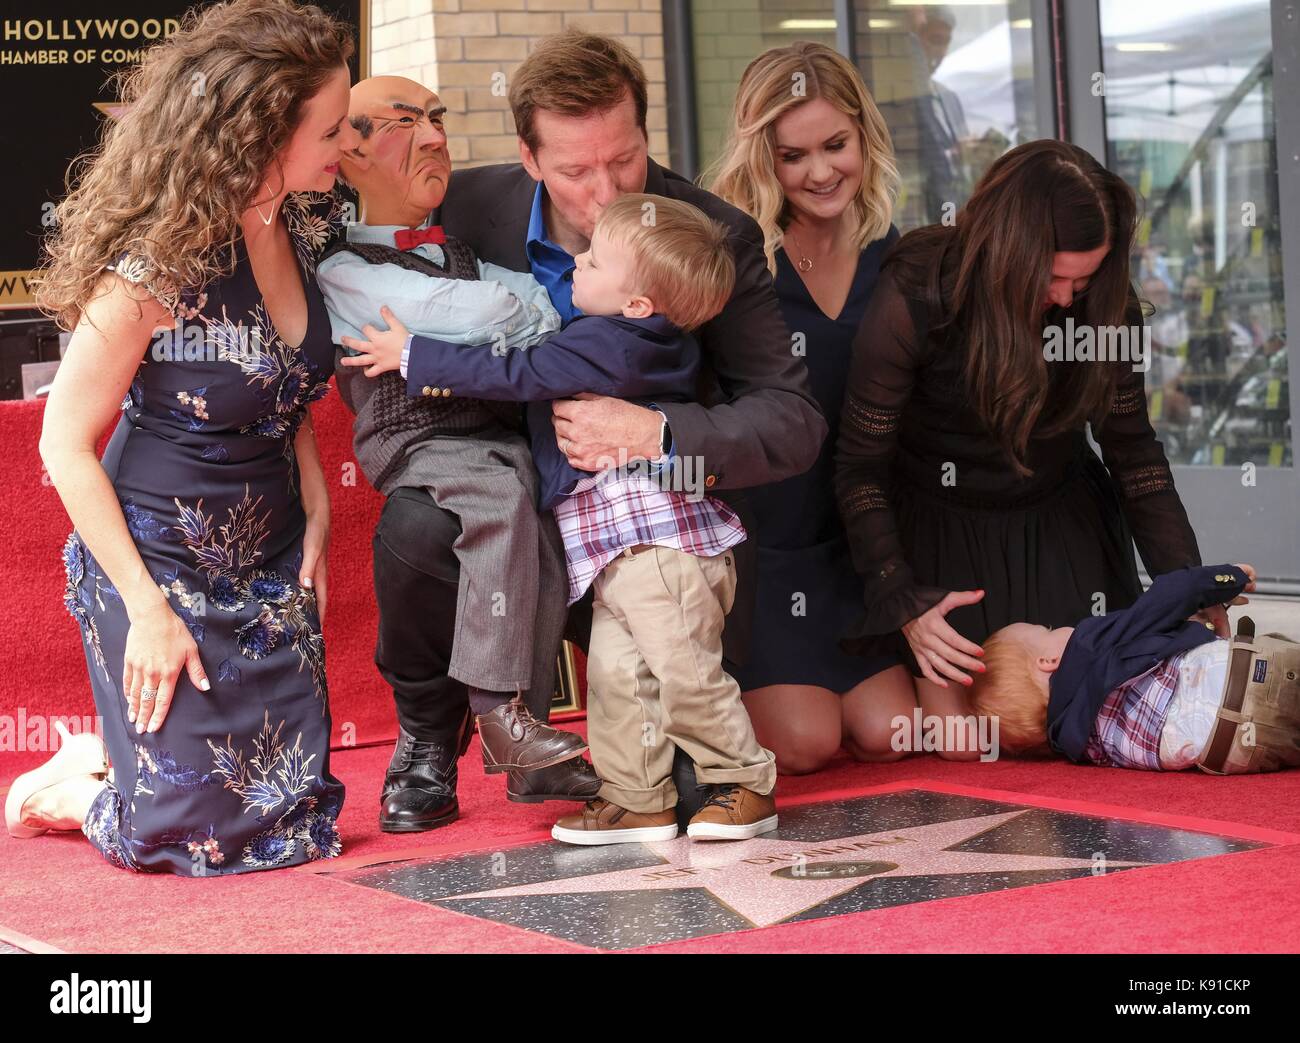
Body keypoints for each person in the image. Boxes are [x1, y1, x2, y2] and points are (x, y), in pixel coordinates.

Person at [348, 28, 826, 824]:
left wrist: (655, 434)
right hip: (512, 489)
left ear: (647, 134)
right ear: (530, 159)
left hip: (647, 520)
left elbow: (793, 420)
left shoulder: (713, 235)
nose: (606, 193)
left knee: (673, 775)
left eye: (625, 160)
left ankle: (669, 768)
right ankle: (429, 738)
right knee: (422, 517)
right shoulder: (465, 209)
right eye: (574, 170)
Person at [15, 0, 357, 873]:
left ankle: (120, 762)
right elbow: (62, 443)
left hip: (273, 550)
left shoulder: (310, 221)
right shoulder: (159, 262)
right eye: (332, 126)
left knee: (296, 822)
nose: (346, 143)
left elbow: (286, 387)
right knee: (189, 838)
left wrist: (317, 504)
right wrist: (146, 609)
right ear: (265, 132)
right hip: (157, 556)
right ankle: (77, 785)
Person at [341, 194, 779, 843]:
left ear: (636, 303)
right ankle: (637, 796)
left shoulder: (615, 342)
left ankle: (742, 779)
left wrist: (415, 355)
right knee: (614, 679)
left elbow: (520, 371)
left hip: (659, 550)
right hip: (619, 554)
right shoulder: (624, 333)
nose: (577, 260)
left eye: (596, 260)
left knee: (682, 670)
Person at [834, 139, 1209, 760]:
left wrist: (1188, 587)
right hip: (939, 531)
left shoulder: (1104, 310)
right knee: (961, 742)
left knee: (1072, 720)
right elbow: (858, 468)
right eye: (1053, 277)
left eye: (1083, 278)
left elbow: (1135, 456)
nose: (1066, 297)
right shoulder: (921, 292)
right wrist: (900, 597)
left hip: (1058, 524)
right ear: (1007, 253)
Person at [318, 75, 599, 832]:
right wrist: (496, 318)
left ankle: (527, 745)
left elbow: (538, 310)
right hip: (417, 449)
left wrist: (489, 318)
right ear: (349, 152)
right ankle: (451, 725)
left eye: (438, 117)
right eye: (406, 122)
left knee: (538, 523)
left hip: (501, 448)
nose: (436, 136)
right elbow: (465, 310)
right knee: (444, 521)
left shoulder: (469, 253)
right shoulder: (342, 268)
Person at [704, 42, 915, 774]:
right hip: (764, 548)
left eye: (836, 145)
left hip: (859, 546)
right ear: (763, 159)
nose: (821, 172)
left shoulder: (895, 257)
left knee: (892, 731)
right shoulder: (734, 258)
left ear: (864, 136)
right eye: (794, 156)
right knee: (806, 740)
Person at [967, 563, 1300, 774]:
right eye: (1048, 629)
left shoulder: (1081, 746)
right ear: (1048, 661)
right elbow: (1169, 593)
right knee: (1277, 656)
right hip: (1237, 680)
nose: (1061, 628)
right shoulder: (1086, 645)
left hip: (1229, 751)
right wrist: (1227, 578)